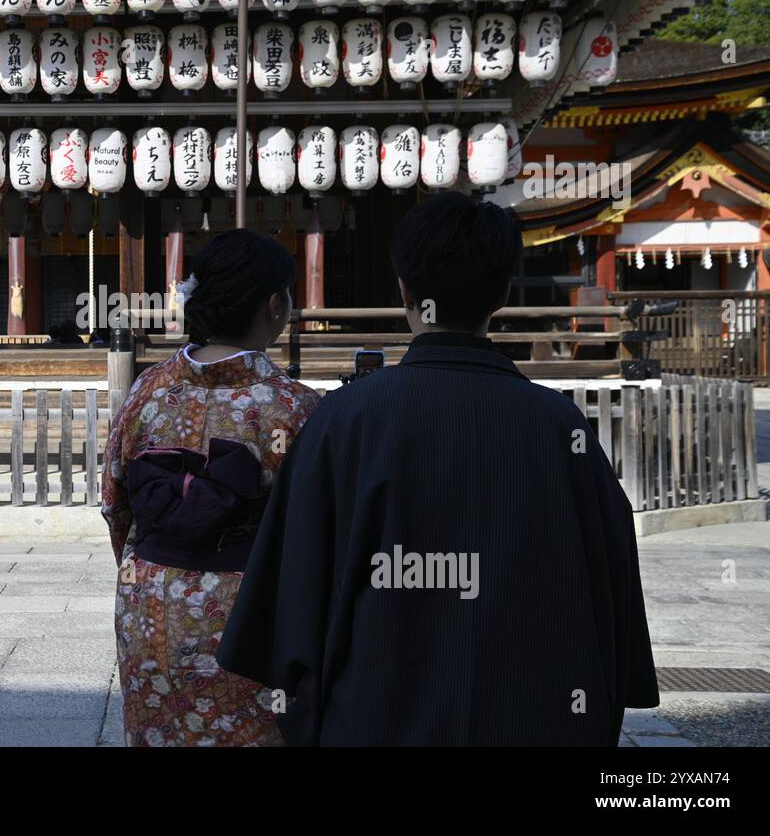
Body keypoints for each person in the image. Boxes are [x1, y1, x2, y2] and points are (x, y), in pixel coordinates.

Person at [217, 191, 659, 746]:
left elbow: (294, 598)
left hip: (375, 719)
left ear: (403, 288)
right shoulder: (560, 426)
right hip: (533, 720)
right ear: (501, 293)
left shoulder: (345, 420)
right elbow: (610, 590)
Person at [101, 229, 321, 746]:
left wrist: (156, 557)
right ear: (275, 304)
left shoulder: (148, 390)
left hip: (150, 602)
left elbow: (115, 502)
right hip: (249, 613)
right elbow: (317, 533)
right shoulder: (295, 408)